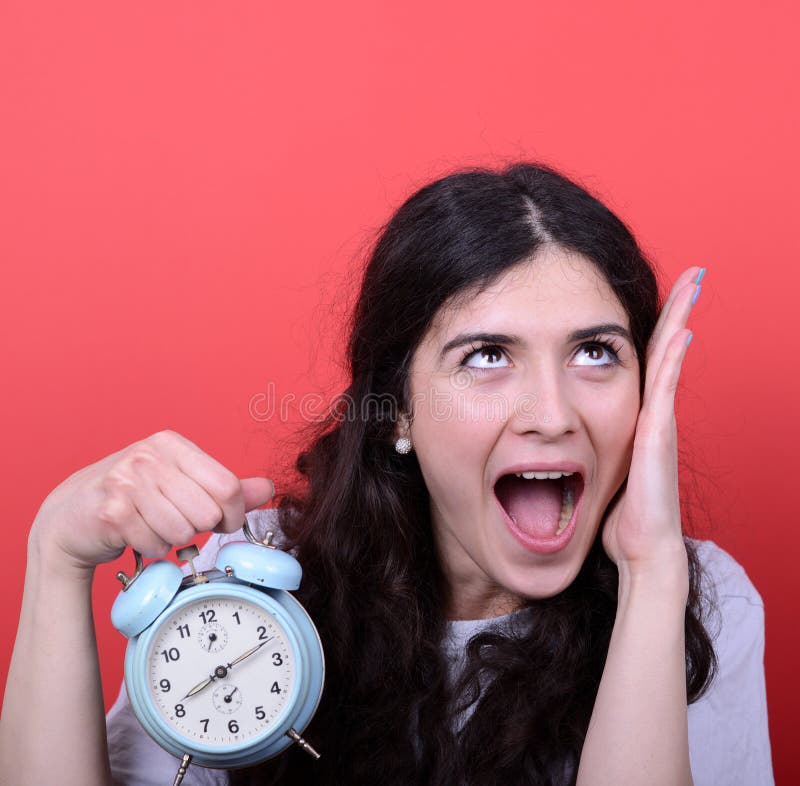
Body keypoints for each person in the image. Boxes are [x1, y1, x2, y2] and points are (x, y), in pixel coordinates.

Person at [0, 163, 772, 786]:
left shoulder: (697, 598)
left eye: (596, 352)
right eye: (488, 355)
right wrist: (55, 554)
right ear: (397, 409)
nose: (552, 413)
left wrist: (651, 572)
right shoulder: (251, 594)